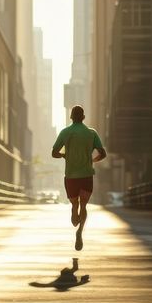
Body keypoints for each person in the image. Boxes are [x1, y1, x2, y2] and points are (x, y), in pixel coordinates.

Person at [51, 105, 107, 251]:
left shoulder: (65, 132)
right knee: (84, 206)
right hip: (87, 175)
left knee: (75, 204)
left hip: (71, 176)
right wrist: (92, 161)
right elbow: (103, 153)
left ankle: (73, 209)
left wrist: (64, 155)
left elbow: (54, 153)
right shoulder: (91, 133)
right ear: (83, 117)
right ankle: (80, 232)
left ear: (71, 117)